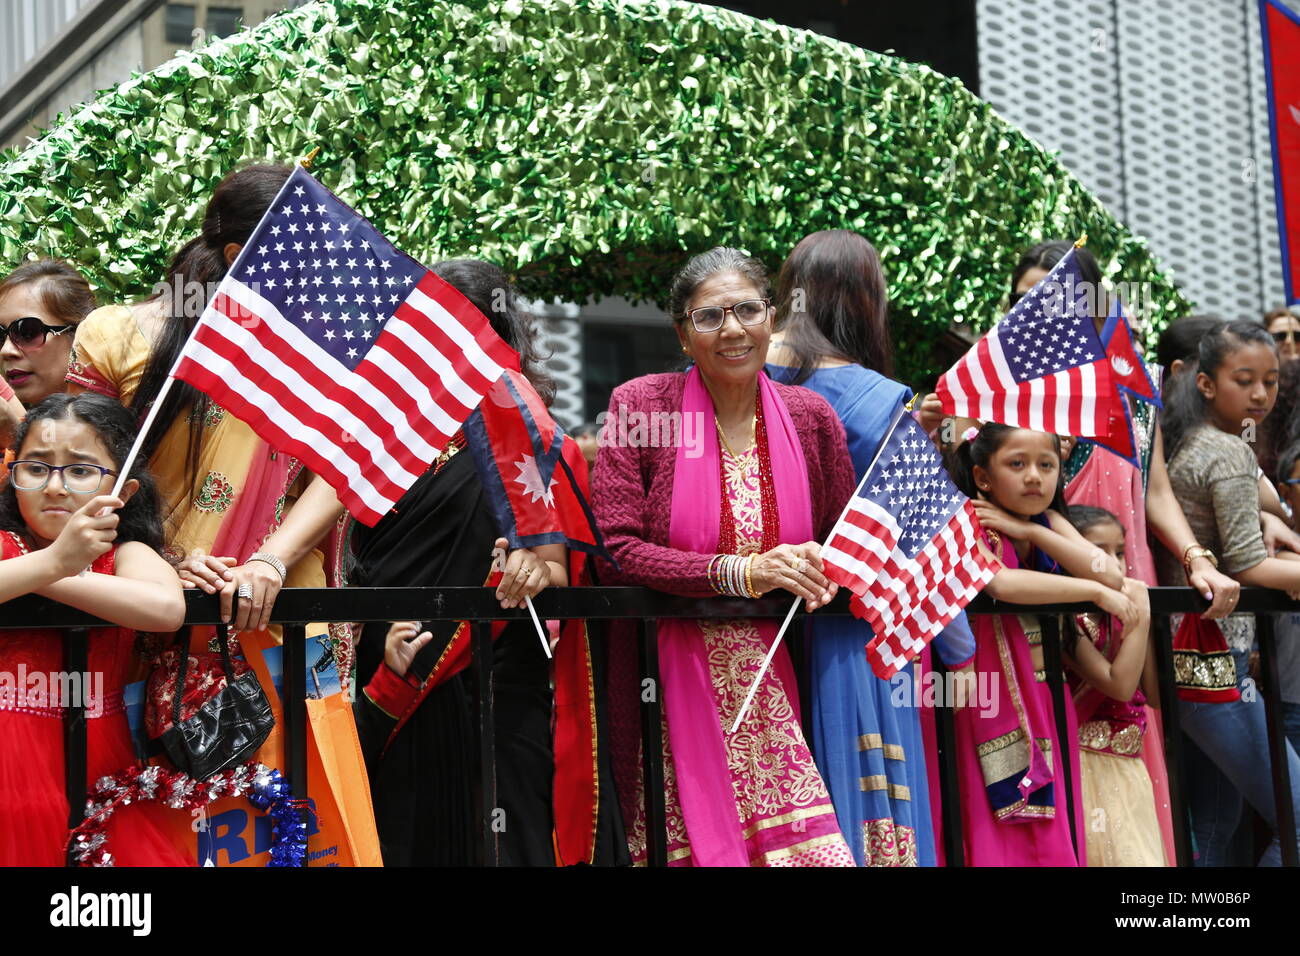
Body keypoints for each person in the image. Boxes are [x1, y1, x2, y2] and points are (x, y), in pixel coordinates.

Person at [348, 259, 626, 867]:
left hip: (497, 683)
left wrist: (529, 570)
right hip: (392, 672)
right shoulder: (384, 430)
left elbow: (552, 568)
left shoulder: (523, 428)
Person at [594, 246, 857, 866]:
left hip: (778, 685)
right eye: (710, 317)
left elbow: (847, 541)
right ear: (684, 335)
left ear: (772, 316)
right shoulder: (643, 405)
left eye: (746, 310)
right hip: (664, 685)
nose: (733, 329)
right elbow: (616, 549)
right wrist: (741, 572)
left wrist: (820, 569)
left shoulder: (811, 416)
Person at [766, 228, 974, 866]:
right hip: (850, 633)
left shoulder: (740, 374)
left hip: (744, 621)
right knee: (863, 820)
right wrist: (957, 643)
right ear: (865, 302)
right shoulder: (880, 399)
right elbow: (917, 530)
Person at [0, 393, 188, 865]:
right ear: (12, 476)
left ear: (123, 491)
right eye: (36, 468)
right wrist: (53, 562)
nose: (56, 487)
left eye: (81, 470)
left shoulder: (125, 554)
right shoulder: (7, 542)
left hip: (96, 777)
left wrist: (47, 573)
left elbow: (165, 607)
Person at [945, 424, 1142, 865]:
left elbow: (1108, 573)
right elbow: (1000, 581)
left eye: (1046, 465)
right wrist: (1089, 592)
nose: (1034, 476)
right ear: (982, 477)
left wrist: (1034, 533)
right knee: (996, 827)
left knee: (1055, 825)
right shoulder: (970, 518)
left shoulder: (1048, 523)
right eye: (1017, 464)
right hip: (987, 697)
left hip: (1048, 697)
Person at [1159, 318, 1300, 865]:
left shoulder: (1190, 439)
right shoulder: (1224, 451)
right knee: (1291, 822)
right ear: (1206, 383)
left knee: (1215, 832)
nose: (1261, 394)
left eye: (1269, 381)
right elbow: (1249, 565)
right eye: (1245, 380)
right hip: (1214, 667)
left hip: (1192, 663)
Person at [1064, 505, 1166, 866]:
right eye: (1100, 553)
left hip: (1129, 766)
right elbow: (1119, 685)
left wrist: (1141, 621)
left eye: (1119, 552)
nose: (1115, 563)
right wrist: (1138, 621)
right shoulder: (1067, 618)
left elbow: (1152, 694)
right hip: (1086, 766)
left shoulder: (1121, 612)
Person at [0, 259, 97, 451]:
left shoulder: (121, 432)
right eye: (0, 335)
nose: (6, 350)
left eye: (27, 332)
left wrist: (13, 436)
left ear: (79, 334)